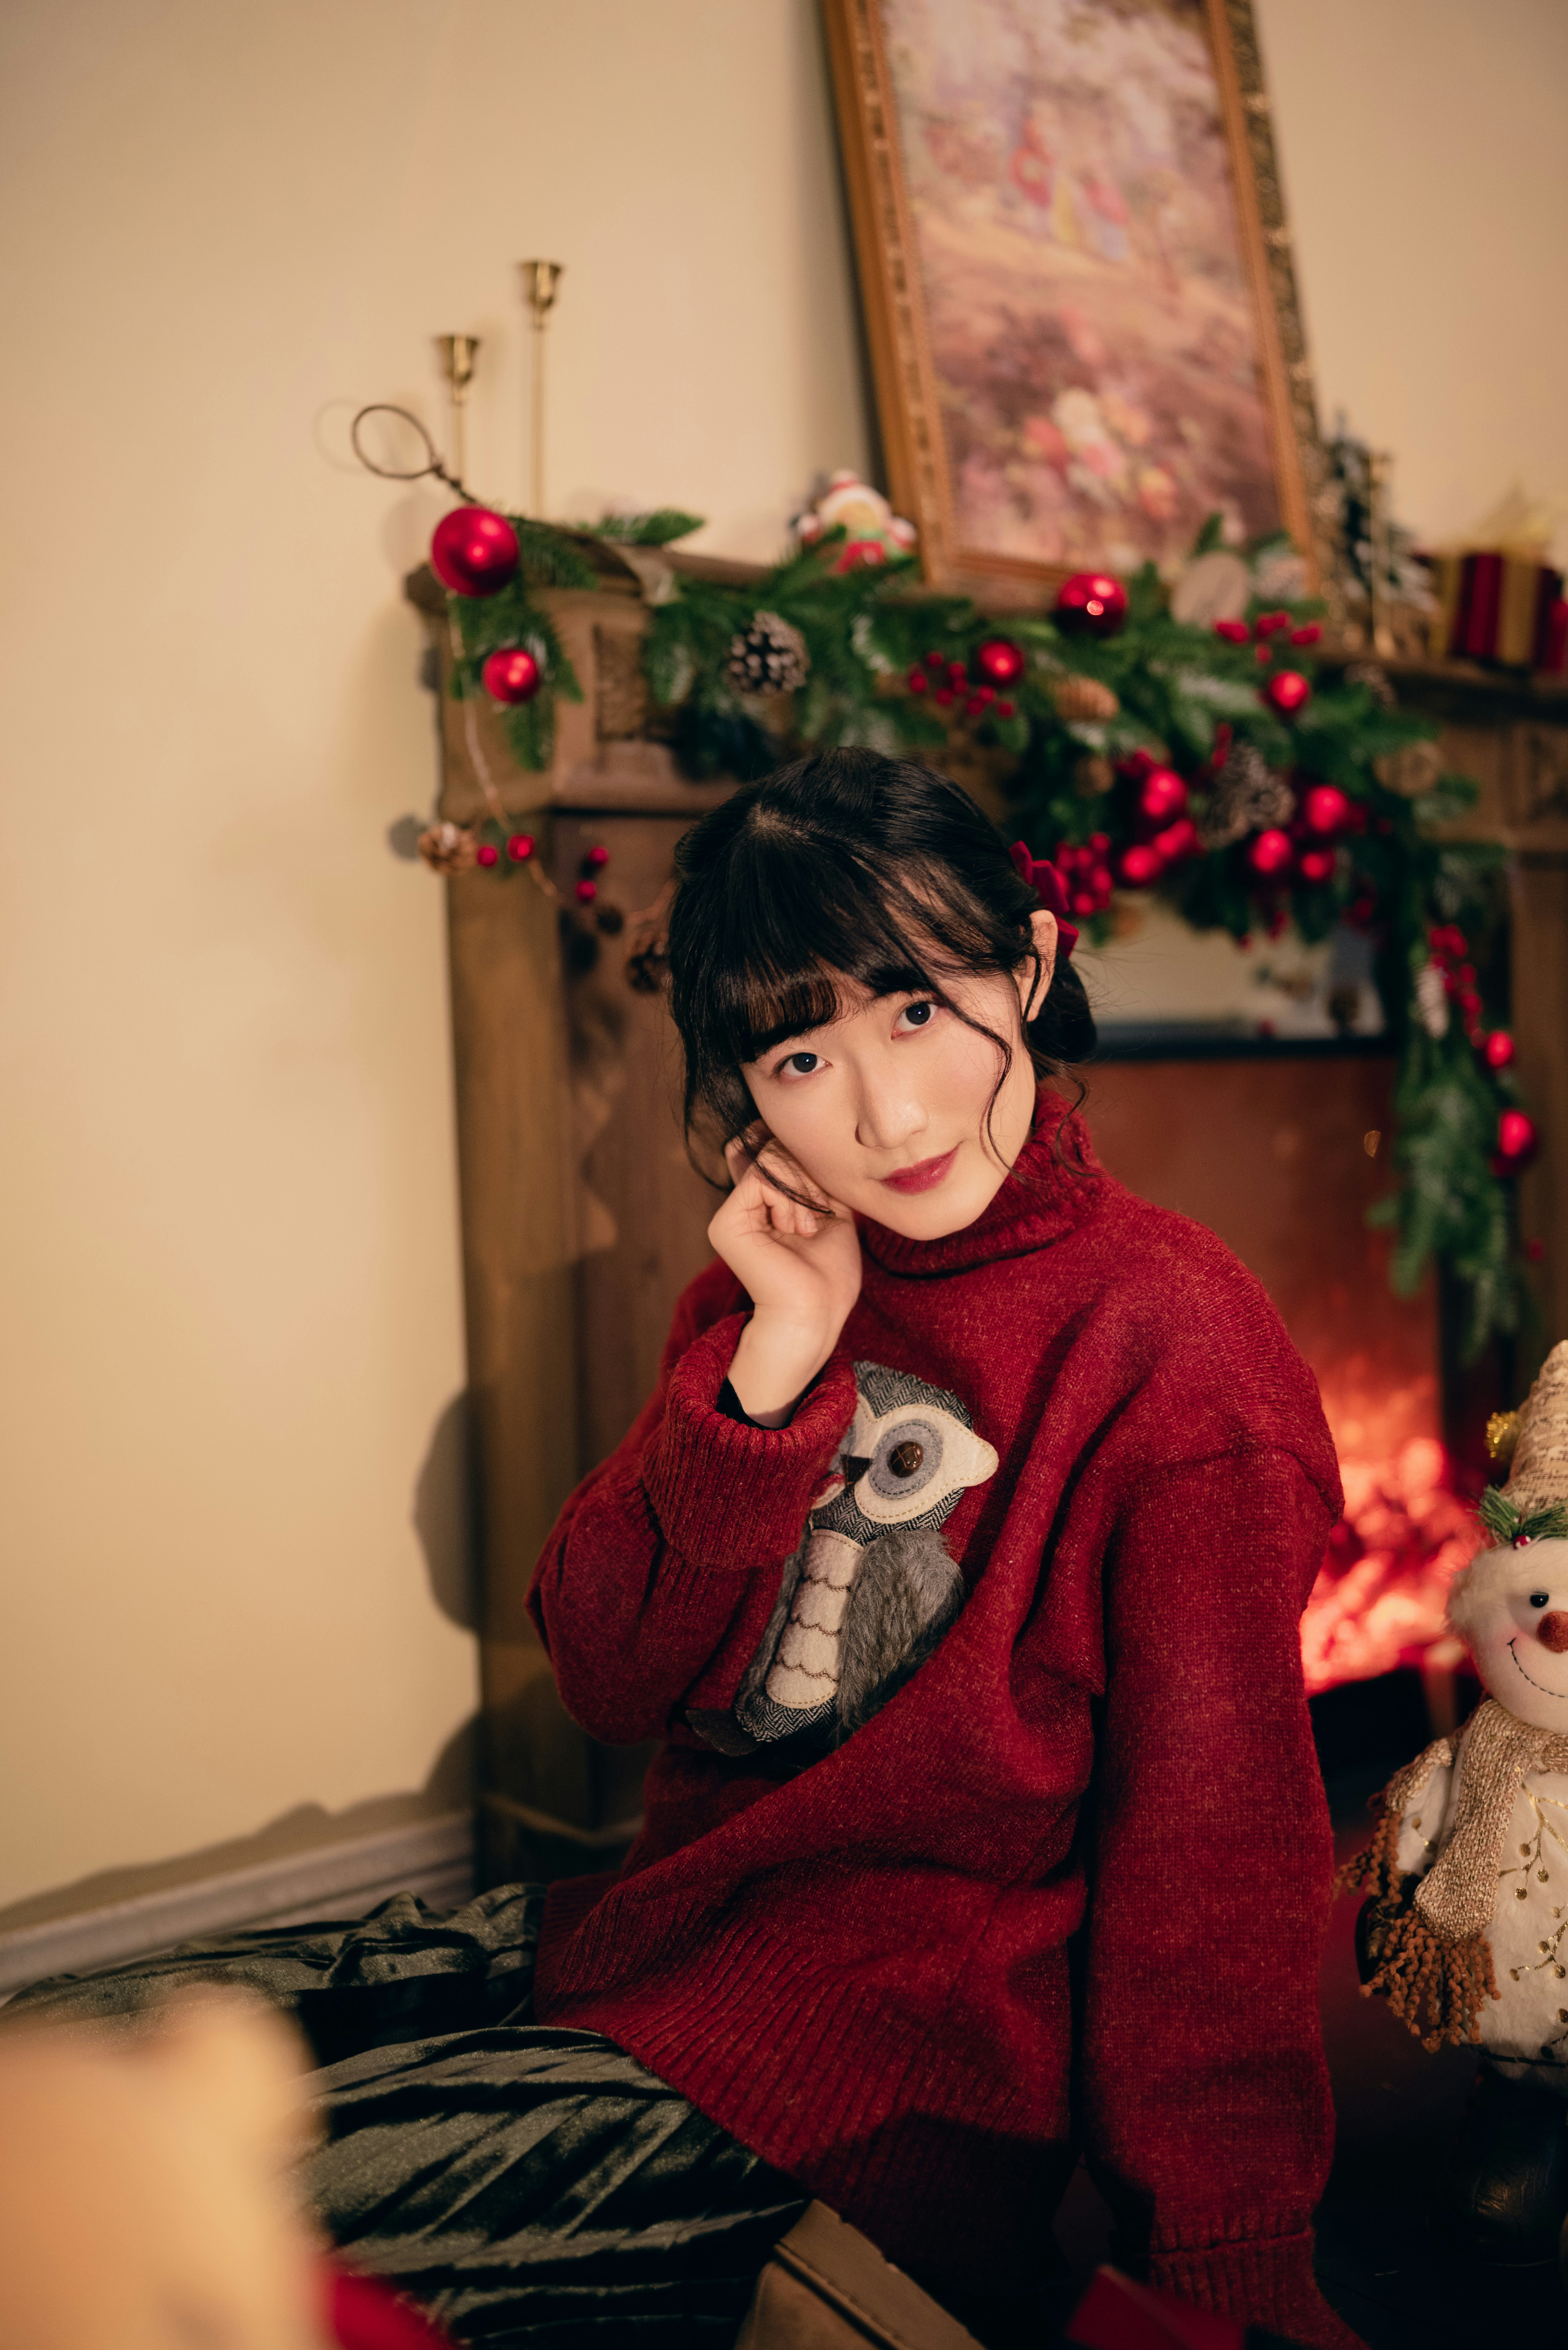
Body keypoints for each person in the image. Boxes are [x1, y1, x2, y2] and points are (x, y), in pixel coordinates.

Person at [12, 751, 1359, 2350]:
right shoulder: (770, 1287)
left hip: (880, 2088)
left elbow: (1213, 1866)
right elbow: (608, 1669)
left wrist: (1222, 2273)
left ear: (1033, 962)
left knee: (150, 2236)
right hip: (654, 1936)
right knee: (59, 2068)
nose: (882, 1109)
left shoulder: (1177, 1352)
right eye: (801, 1054)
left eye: (918, 1006)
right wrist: (766, 1367)